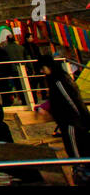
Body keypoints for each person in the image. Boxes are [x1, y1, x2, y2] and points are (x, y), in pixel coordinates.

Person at [38, 54, 90, 182]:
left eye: (42, 68)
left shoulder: (58, 80)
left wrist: (80, 118)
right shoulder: (59, 79)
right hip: (71, 120)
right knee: (76, 148)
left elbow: (70, 99)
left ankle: (81, 172)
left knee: (75, 149)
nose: (41, 71)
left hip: (72, 121)